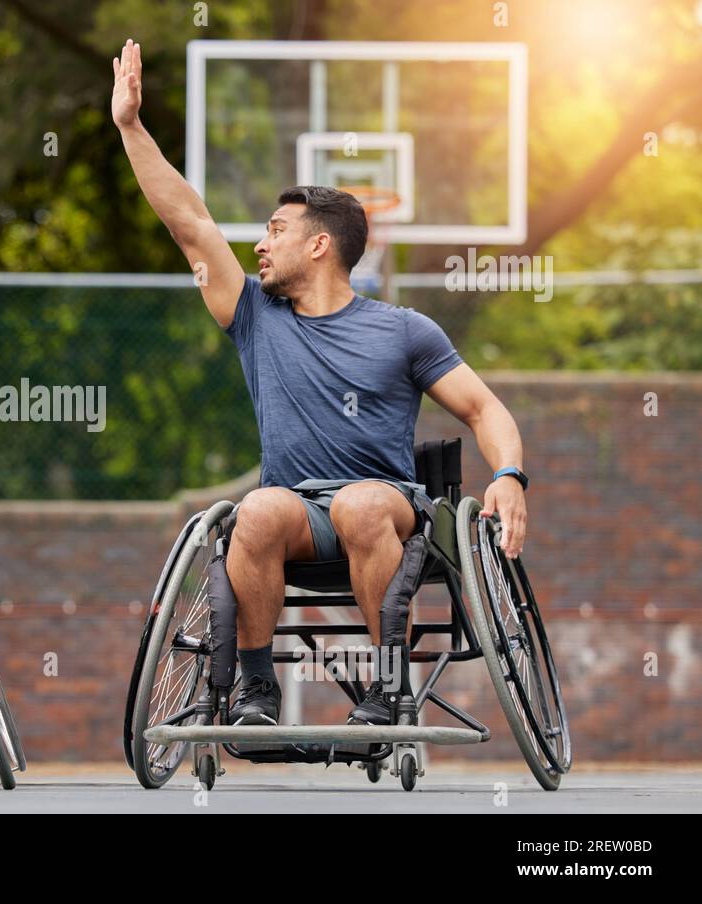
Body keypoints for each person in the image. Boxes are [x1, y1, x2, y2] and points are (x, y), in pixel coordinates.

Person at [111, 39, 529, 726]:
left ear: (319, 244)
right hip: (298, 516)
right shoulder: (255, 316)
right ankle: (254, 690)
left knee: (360, 506)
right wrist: (131, 126)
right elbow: (190, 223)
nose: (259, 244)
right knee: (257, 510)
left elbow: (484, 408)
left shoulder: (405, 330)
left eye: (276, 230)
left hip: (385, 508)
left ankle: (390, 687)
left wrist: (510, 473)